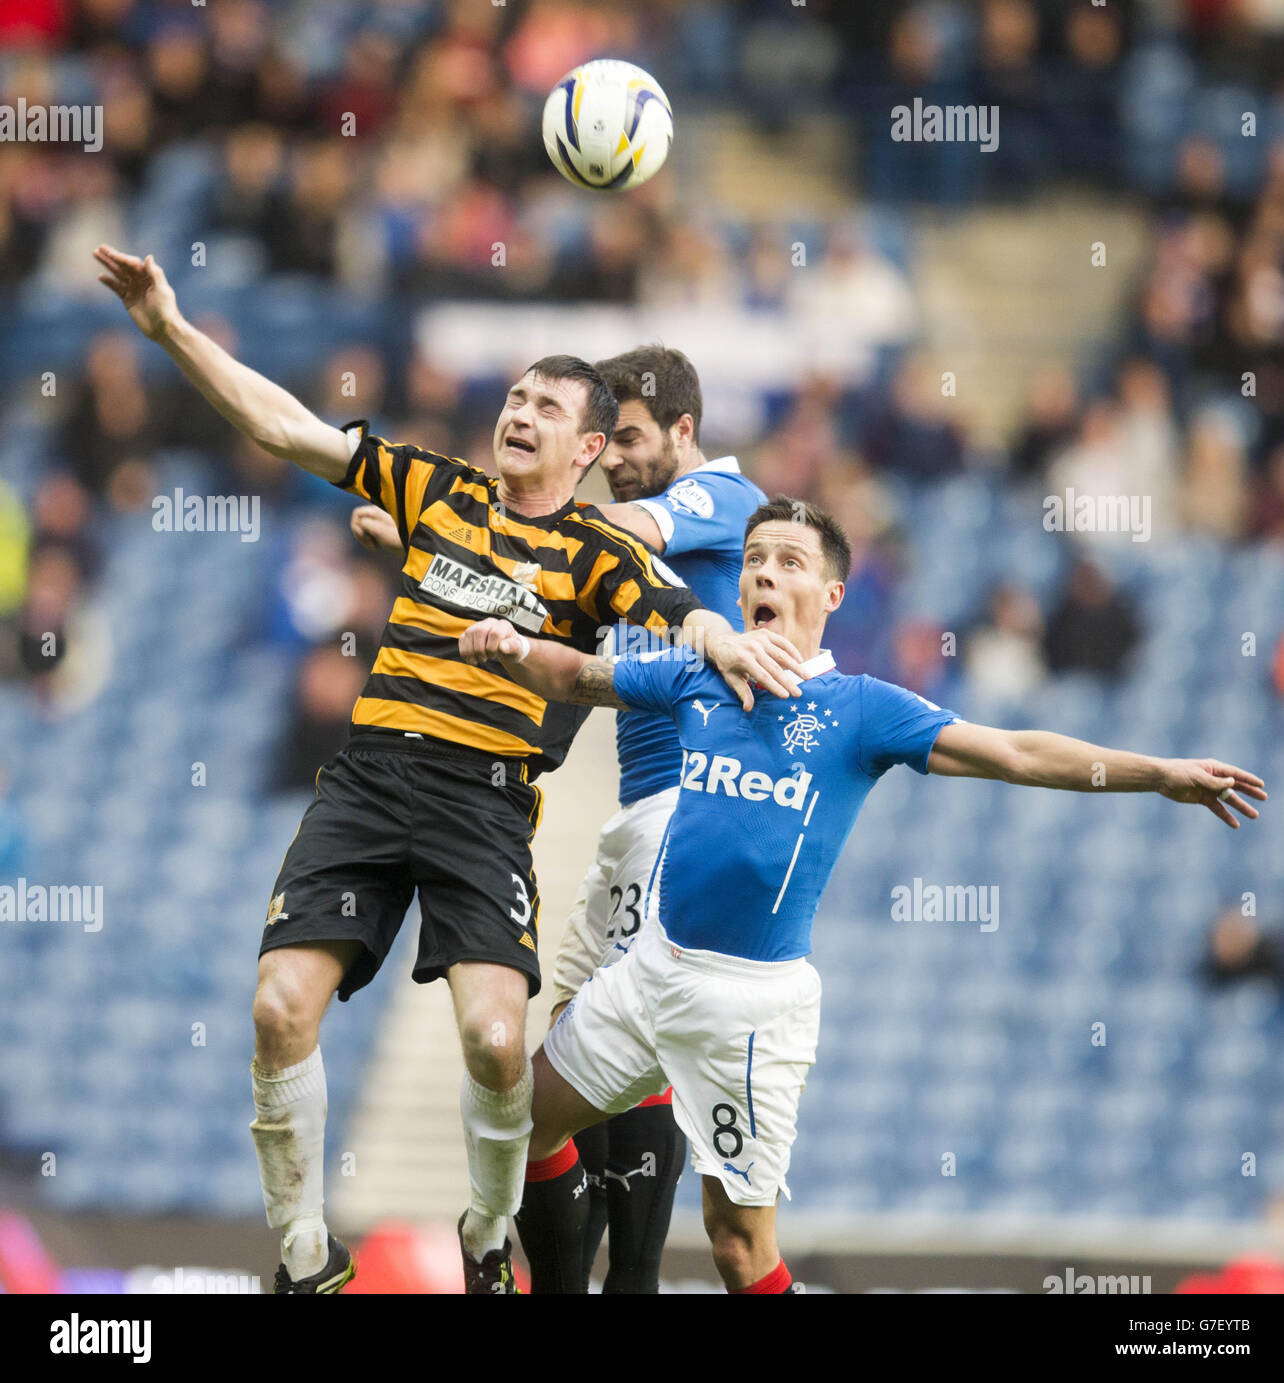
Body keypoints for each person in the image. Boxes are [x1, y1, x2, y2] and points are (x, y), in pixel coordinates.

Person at [93, 244, 805, 1294]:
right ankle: (301, 1254)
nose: (518, 413)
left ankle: (486, 1230)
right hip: (371, 782)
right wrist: (170, 329)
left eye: (547, 408)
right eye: (514, 396)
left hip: (482, 806)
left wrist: (726, 641)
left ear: (590, 447)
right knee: (277, 1005)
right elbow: (284, 426)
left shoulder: (599, 552)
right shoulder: (436, 491)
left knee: (494, 1036)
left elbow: (674, 607)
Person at [458, 495, 1266, 1293]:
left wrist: (1157, 773)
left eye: (789, 561)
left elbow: (1016, 751)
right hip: (649, 970)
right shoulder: (695, 674)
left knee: (739, 1250)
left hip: (748, 1009)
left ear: (832, 595)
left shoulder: (861, 710)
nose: (763, 573)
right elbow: (576, 674)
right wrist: (509, 645)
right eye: (754, 561)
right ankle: (508, 1262)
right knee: (525, 1122)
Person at [356, 343, 764, 1292]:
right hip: (643, 810)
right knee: (576, 1049)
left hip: (691, 806)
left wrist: (476, 530)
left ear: (684, 432)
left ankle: (634, 1279)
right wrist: (448, 549)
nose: (613, 457)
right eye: (605, 440)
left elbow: (603, 528)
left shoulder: (719, 499)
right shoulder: (619, 542)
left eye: (624, 438)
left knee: (619, 1037)